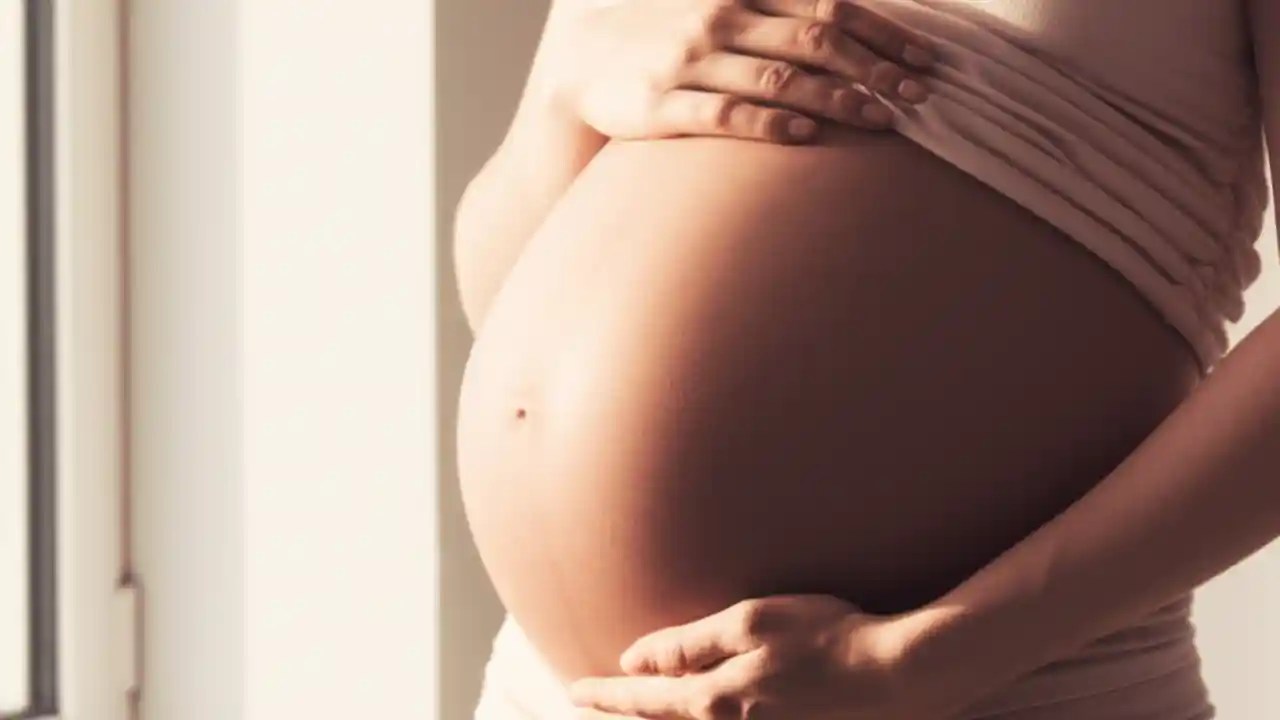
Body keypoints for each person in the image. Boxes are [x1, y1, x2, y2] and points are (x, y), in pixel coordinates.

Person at [453, 0, 1280, 717]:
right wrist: (561, 106)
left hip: (979, 692)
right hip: (547, 693)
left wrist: (926, 662)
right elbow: (501, 301)